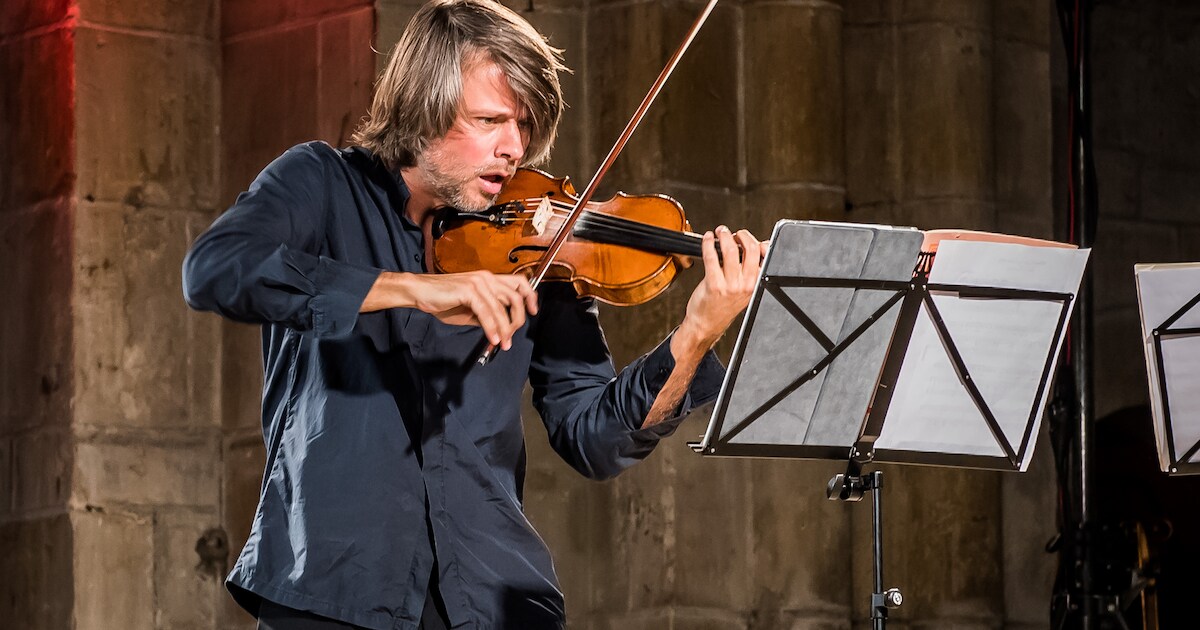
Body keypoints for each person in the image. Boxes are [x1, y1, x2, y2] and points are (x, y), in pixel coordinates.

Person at [182, 0, 765, 628]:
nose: (513, 148)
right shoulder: (321, 184)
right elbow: (216, 270)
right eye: (489, 120)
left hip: (492, 599)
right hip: (333, 587)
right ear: (422, 111)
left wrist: (696, 333)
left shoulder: (539, 243)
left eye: (523, 124)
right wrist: (414, 289)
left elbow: (594, 438)